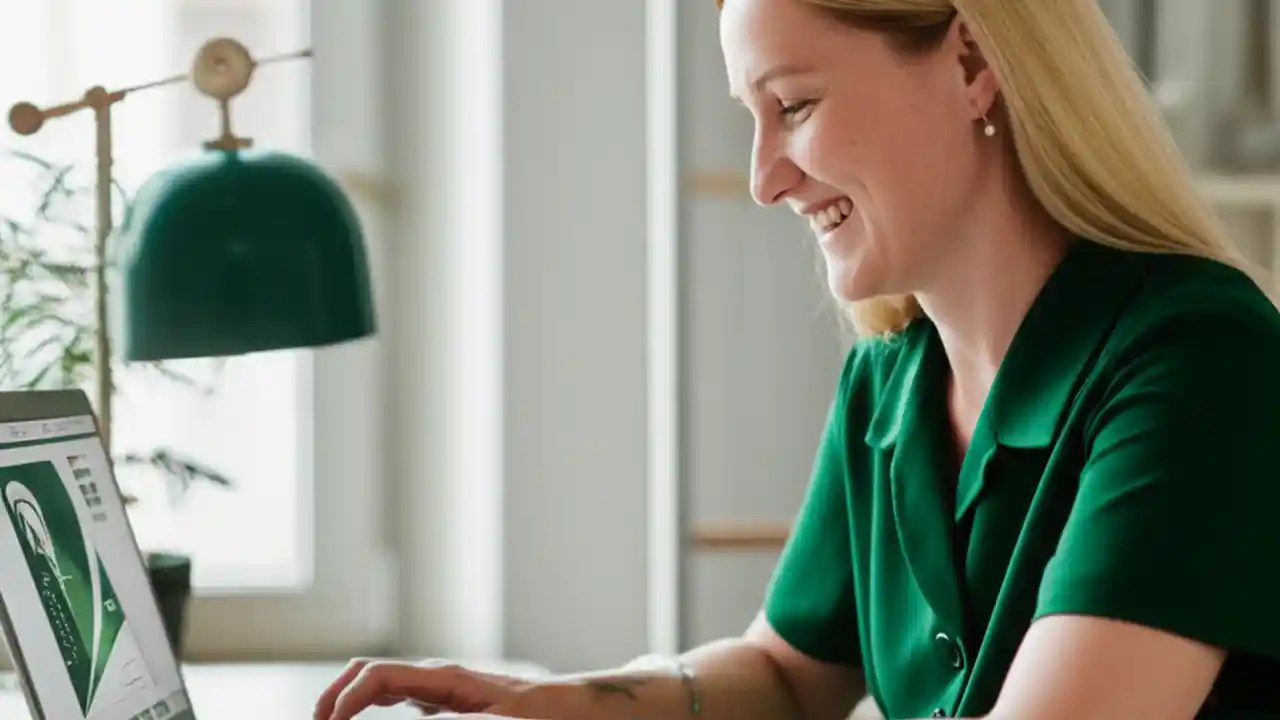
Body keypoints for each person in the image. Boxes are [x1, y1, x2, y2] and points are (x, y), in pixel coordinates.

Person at [313, 0, 1280, 718]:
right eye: (753, 116)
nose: (764, 178)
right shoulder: (890, 385)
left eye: (796, 105)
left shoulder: (1197, 361)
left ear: (975, 62)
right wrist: (537, 704)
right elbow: (784, 674)